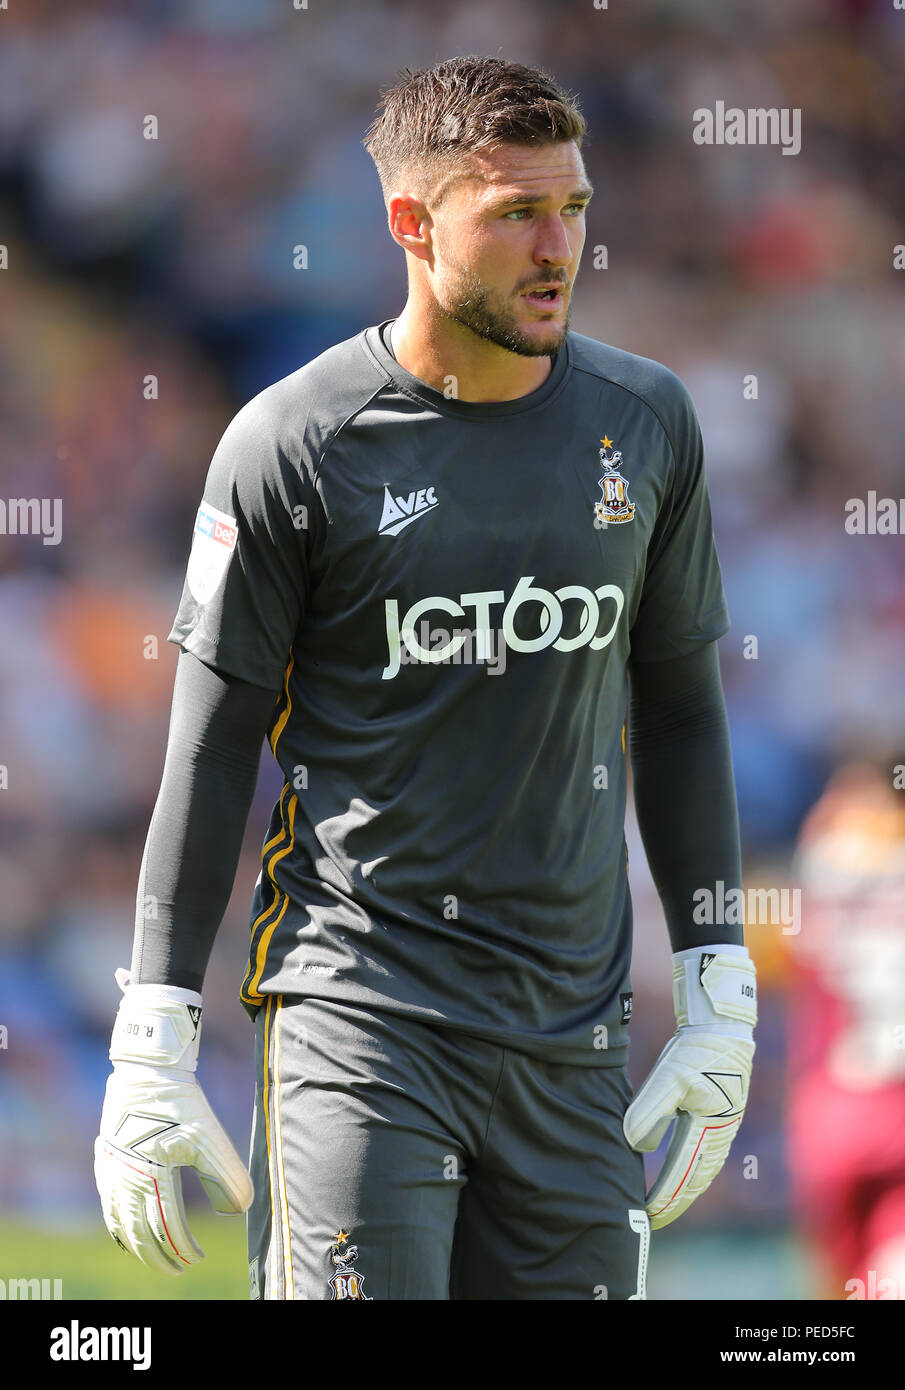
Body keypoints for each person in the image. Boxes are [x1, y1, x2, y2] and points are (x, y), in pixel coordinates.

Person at [94, 54, 756, 1301]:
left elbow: (675, 706)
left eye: (572, 207)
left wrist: (720, 985)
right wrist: (155, 1032)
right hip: (358, 1024)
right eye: (513, 212)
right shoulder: (291, 442)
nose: (556, 245)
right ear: (410, 222)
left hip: (573, 1040)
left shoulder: (647, 422)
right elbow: (209, 743)